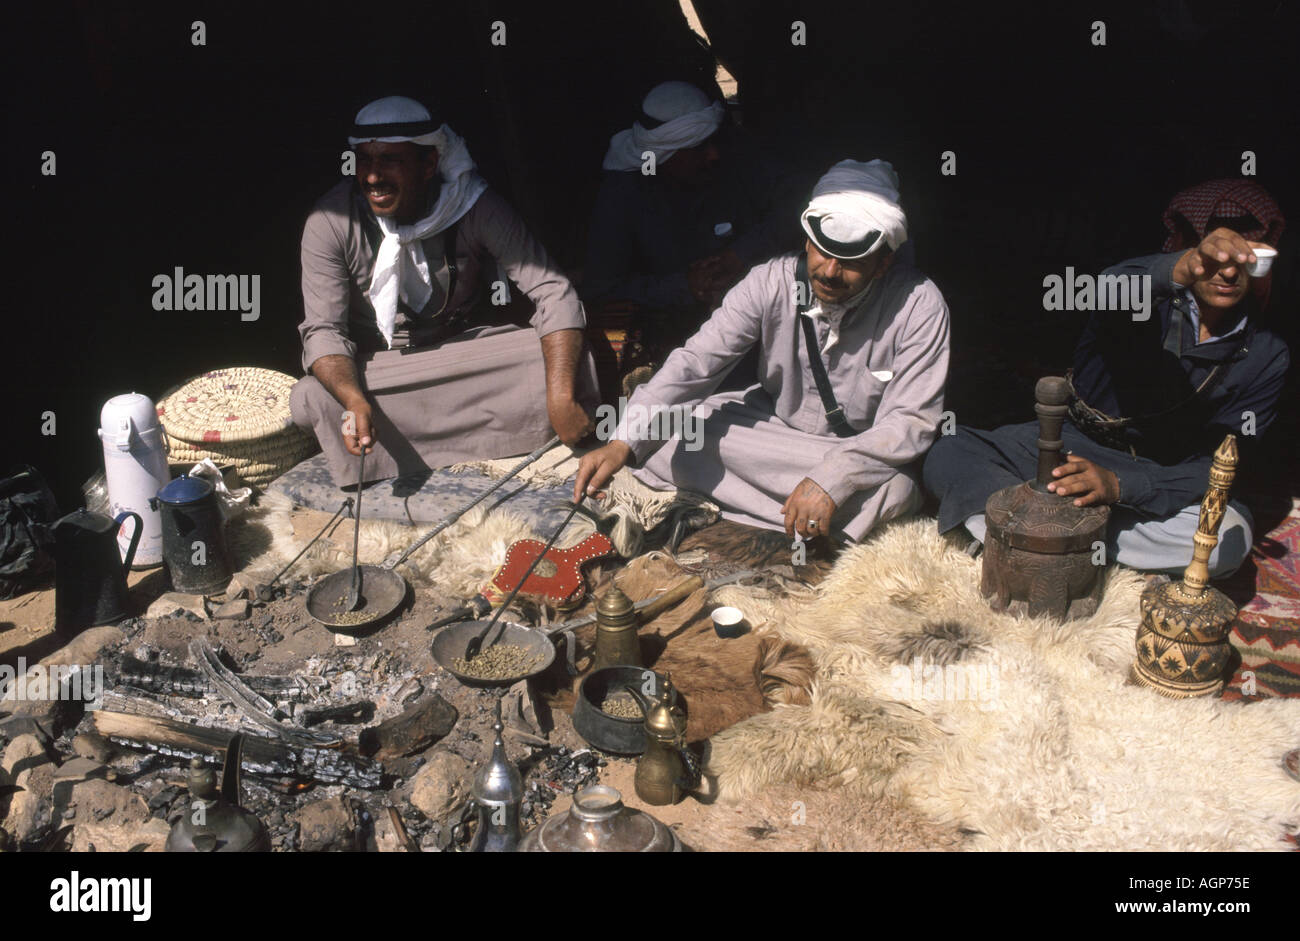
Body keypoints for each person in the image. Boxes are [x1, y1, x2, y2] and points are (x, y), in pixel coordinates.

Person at [923, 180, 1289, 575]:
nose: (1229, 271)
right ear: (1186, 245)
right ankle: (1054, 532)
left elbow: (1225, 463)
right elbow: (1107, 288)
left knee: (1225, 541)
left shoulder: (1267, 352)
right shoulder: (1140, 299)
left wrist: (1121, 485)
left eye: (1243, 260)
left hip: (1156, 476)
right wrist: (1179, 268)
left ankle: (1041, 536)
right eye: (1215, 257)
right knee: (949, 453)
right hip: (1064, 448)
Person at [574, 160, 951, 542]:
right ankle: (806, 514)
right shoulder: (769, 281)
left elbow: (910, 420)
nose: (830, 272)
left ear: (883, 263)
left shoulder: (920, 305)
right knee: (672, 432)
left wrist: (834, 478)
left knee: (895, 491)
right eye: (821, 252)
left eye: (851, 262)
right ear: (807, 241)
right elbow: (697, 362)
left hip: (861, 453)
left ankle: (800, 502)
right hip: (772, 434)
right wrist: (623, 441)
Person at [290, 95, 597, 487]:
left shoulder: (475, 205)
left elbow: (553, 292)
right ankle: (495, 434)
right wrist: (353, 400)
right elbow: (324, 331)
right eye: (365, 161)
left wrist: (559, 394)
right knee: (312, 398)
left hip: (464, 357)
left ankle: (419, 443)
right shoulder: (330, 221)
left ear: (429, 164)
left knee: (567, 361)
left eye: (390, 161)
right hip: (382, 371)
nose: (372, 176)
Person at [583, 81, 804, 357]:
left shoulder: (737, 155)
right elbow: (603, 288)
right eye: (697, 148)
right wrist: (687, 286)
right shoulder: (625, 194)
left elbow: (798, 206)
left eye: (712, 143)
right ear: (665, 154)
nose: (713, 155)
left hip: (766, 319)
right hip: (677, 337)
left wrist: (739, 256)